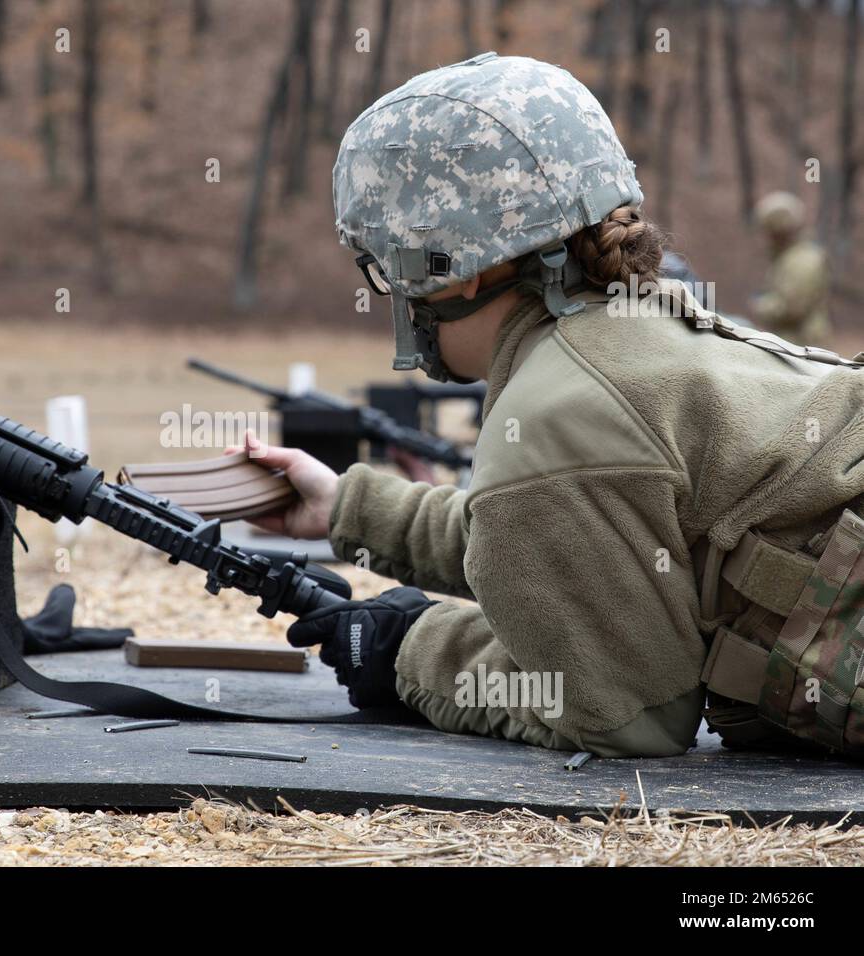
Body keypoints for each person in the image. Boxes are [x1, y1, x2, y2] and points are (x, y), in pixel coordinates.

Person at [240, 54, 864, 758]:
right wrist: (352, 512)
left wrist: (408, 648)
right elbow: (587, 523)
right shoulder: (648, 325)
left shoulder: (551, 413)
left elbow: (627, 715)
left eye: (386, 267)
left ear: (450, 270)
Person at [752, 191, 832, 345]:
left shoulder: (803, 261)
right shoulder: (790, 257)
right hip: (793, 344)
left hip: (803, 346)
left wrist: (762, 306)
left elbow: (792, 308)